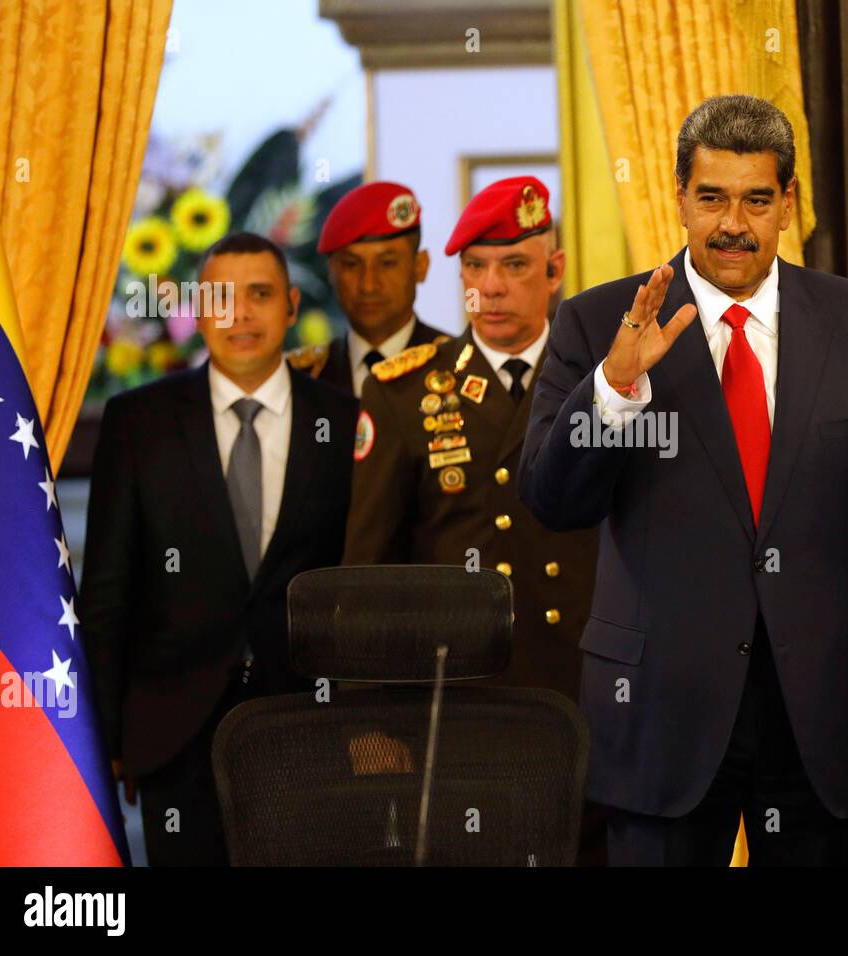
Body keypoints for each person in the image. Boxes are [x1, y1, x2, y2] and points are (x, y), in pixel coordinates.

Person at [519, 94, 848, 866]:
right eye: (711, 198)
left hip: (827, 714)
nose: (732, 223)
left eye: (756, 200)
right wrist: (613, 389)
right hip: (661, 716)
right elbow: (552, 501)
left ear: (787, 204)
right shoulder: (601, 323)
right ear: (679, 199)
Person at [342, 176, 605, 864]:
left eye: (514, 266)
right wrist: (370, 717)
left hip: (587, 699)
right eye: (475, 268)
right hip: (458, 709)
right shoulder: (405, 391)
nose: (489, 288)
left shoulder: (605, 380)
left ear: (554, 271)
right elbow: (368, 568)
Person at [80, 232, 359, 865]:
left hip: (311, 726)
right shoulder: (137, 423)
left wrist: (373, 719)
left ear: (290, 306)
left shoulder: (344, 421)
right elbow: (106, 592)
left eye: (258, 295)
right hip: (172, 733)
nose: (239, 314)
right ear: (198, 310)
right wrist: (107, 737)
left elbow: (366, 577)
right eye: (221, 297)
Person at [288, 181, 449, 397]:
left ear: (420, 266)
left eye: (387, 264)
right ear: (331, 271)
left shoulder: (459, 368)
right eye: (351, 265)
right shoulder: (300, 379)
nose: (368, 285)